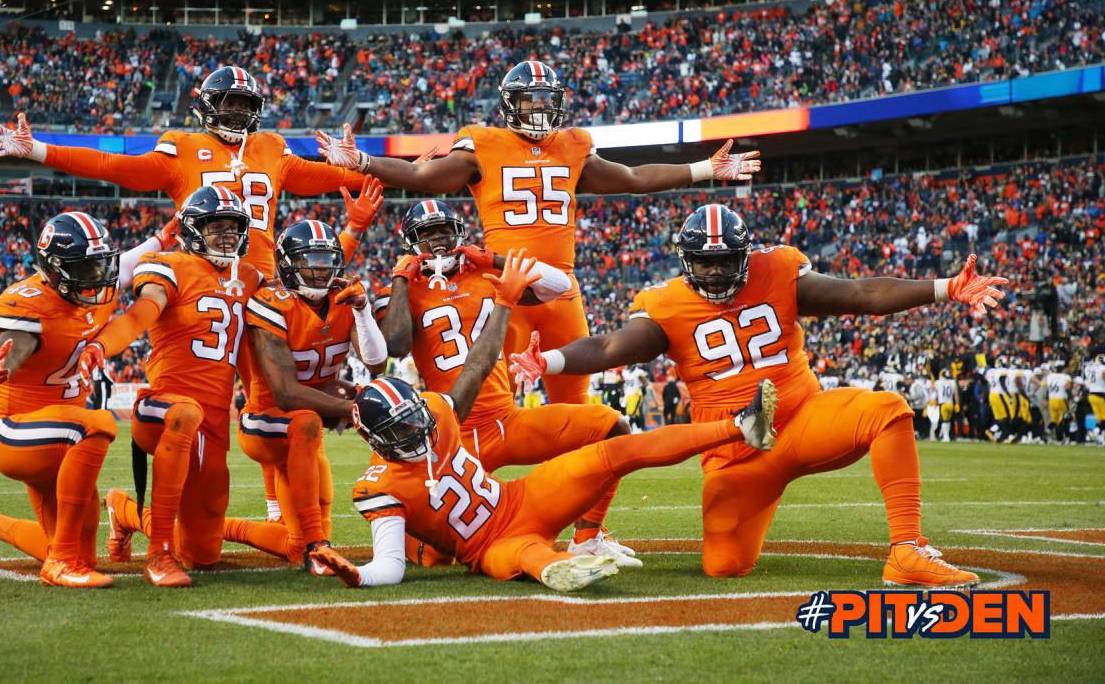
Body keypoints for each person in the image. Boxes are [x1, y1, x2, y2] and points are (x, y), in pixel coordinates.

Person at [510, 204, 1009, 587]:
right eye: (703, 265)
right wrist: (549, 360)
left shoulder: (778, 270)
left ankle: (907, 550)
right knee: (724, 565)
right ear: (686, 263)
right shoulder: (666, 302)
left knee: (887, 410)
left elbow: (861, 295)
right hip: (737, 452)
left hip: (802, 418)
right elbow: (611, 345)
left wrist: (945, 288)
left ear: (745, 254)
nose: (714, 274)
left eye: (724, 261)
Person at [0, 66, 378, 523]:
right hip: (202, 282)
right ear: (206, 104)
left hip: (266, 288)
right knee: (211, 398)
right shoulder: (183, 147)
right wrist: (37, 150)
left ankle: (280, 513)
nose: (237, 112)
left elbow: (326, 178)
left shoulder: (271, 147)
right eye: (229, 102)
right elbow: (115, 166)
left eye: (246, 104)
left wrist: (358, 164)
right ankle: (168, 505)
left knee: (275, 398)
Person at [316, 60, 761, 405]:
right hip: (502, 288)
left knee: (579, 405)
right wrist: (363, 162)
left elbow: (632, 177)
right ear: (511, 103)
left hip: (560, 290)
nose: (540, 108)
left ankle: (588, 528)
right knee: (486, 402)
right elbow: (426, 177)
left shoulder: (572, 145)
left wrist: (705, 168)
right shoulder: (482, 143)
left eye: (546, 99)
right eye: (530, 100)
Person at [339, 250, 780, 591]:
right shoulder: (377, 487)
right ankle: (565, 568)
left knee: (614, 445)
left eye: (414, 416)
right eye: (402, 427)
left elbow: (482, 361)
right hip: (490, 543)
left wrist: (502, 287)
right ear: (378, 442)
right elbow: (388, 565)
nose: (417, 428)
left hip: (521, 498)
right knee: (522, 557)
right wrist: (353, 572)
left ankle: (738, 426)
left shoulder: (437, 413)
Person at [379, 200, 635, 564]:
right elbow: (396, 345)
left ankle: (589, 536)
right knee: (438, 558)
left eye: (444, 233)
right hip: (454, 436)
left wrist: (492, 260)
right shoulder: (403, 290)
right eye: (427, 235)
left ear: (460, 236)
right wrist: (401, 279)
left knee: (613, 426)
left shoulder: (486, 274)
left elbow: (561, 286)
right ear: (411, 244)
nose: (438, 243)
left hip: (505, 420)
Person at [0, 210, 167, 588]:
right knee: (97, 424)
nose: (98, 277)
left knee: (86, 553)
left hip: (62, 440)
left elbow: (131, 259)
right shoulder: (29, 303)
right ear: (55, 270)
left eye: (100, 265)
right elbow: (9, 351)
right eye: (86, 269)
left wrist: (163, 236)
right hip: (16, 431)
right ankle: (60, 564)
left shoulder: (98, 280)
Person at [83, 186, 267, 588]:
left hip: (215, 419)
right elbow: (140, 314)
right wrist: (103, 344)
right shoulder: (167, 264)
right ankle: (159, 553)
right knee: (184, 413)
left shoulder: (251, 277)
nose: (226, 235)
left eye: (233, 227)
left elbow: (266, 340)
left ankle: (124, 509)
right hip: (163, 407)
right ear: (191, 229)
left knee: (203, 554)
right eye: (215, 226)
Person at [220, 218, 385, 574]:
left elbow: (377, 364)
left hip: (302, 430)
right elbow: (287, 394)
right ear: (287, 264)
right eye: (310, 261)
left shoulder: (343, 299)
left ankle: (150, 517)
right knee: (307, 421)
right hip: (264, 421)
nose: (320, 271)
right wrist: (355, 408)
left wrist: (363, 311)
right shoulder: (271, 302)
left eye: (326, 260)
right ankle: (317, 545)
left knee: (300, 531)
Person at [934, 369, 959, 442]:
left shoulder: (938, 382)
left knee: (944, 421)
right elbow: (956, 394)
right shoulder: (952, 382)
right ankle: (947, 436)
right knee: (948, 421)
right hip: (950, 403)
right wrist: (957, 404)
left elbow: (935, 393)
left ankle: (946, 436)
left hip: (943, 404)